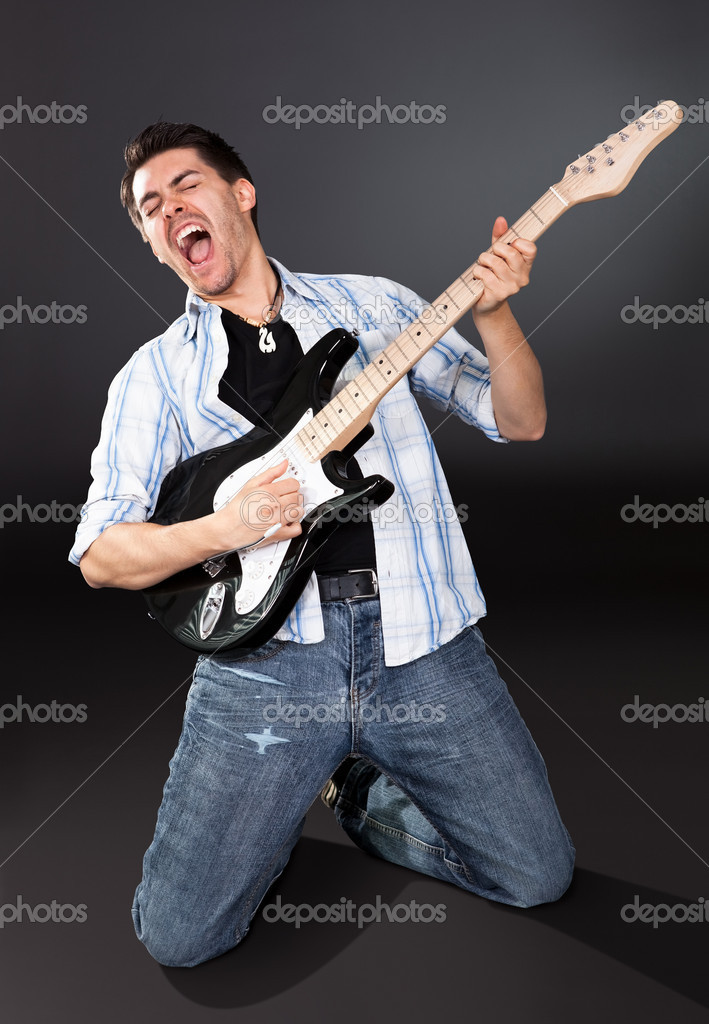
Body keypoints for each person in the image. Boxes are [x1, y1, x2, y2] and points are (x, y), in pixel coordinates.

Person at [69, 121, 574, 967]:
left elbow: (518, 420)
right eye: (149, 209)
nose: (168, 212)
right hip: (266, 665)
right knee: (181, 938)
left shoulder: (373, 306)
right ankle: (279, 799)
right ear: (154, 244)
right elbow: (100, 557)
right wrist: (227, 528)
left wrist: (496, 313)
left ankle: (353, 793)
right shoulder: (152, 378)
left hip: (422, 643)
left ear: (241, 193)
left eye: (185, 187)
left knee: (537, 875)